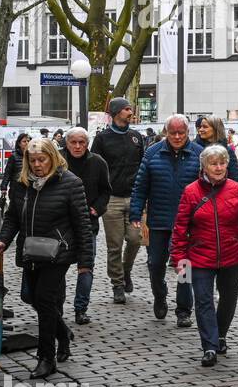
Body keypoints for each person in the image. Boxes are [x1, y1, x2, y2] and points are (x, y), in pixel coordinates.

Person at [0, 138, 95, 379]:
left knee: (44, 298)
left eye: (42, 159)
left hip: (57, 253)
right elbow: (13, 218)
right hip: (30, 250)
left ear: (52, 157)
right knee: (35, 299)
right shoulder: (22, 183)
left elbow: (82, 225)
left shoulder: (71, 184)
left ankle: (46, 358)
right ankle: (63, 333)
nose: (37, 165)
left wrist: (85, 263)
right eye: (33, 160)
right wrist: (3, 240)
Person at [171, 145, 238, 367]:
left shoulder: (236, 190)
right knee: (203, 301)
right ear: (204, 166)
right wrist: (179, 259)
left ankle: (220, 334)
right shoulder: (191, 192)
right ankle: (209, 346)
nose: (219, 167)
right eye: (214, 164)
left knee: (229, 298)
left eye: (222, 163)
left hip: (232, 254)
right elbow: (181, 227)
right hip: (200, 255)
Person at [129, 115, 202, 327]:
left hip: (188, 222)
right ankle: (160, 295)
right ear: (166, 132)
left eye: (181, 133)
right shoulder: (152, 153)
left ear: (188, 132)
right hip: (159, 220)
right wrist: (135, 212)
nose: (177, 137)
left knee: (184, 265)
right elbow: (140, 185)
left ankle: (183, 309)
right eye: (173, 133)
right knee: (156, 264)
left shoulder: (198, 154)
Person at [91, 97, 146, 304]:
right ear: (115, 113)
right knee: (114, 245)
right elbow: (94, 168)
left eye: (130, 108)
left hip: (134, 197)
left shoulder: (136, 137)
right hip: (111, 199)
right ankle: (117, 284)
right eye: (126, 109)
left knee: (135, 239)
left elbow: (143, 166)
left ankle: (126, 270)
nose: (130, 112)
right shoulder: (102, 139)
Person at [60, 128, 111, 325]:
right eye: (73, 142)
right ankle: (56, 306)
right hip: (61, 225)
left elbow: (106, 191)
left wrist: (97, 209)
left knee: (86, 267)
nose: (78, 146)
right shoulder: (58, 160)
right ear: (67, 143)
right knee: (58, 268)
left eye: (82, 142)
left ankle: (81, 308)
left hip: (87, 224)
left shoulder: (98, 162)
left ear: (87, 143)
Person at [192, 115, 238, 181]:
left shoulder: (228, 151)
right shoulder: (193, 148)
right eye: (200, 127)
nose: (200, 129)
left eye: (205, 127)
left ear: (215, 129)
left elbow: (235, 178)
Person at [0, 132, 30, 210]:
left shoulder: (31, 155)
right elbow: (7, 173)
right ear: (19, 143)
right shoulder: (13, 156)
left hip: (29, 188)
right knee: (15, 211)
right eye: (24, 141)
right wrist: (3, 187)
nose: (27, 143)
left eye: (28, 141)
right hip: (15, 189)